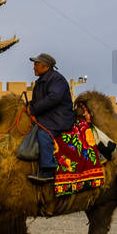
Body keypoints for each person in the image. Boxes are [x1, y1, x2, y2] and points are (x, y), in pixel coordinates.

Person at [27, 52, 75, 183]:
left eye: (36, 64)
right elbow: (37, 101)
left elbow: (53, 98)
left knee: (44, 135)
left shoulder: (56, 79)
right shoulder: (40, 82)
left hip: (59, 118)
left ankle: (48, 169)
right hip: (47, 116)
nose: (34, 67)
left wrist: (33, 109)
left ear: (46, 66)